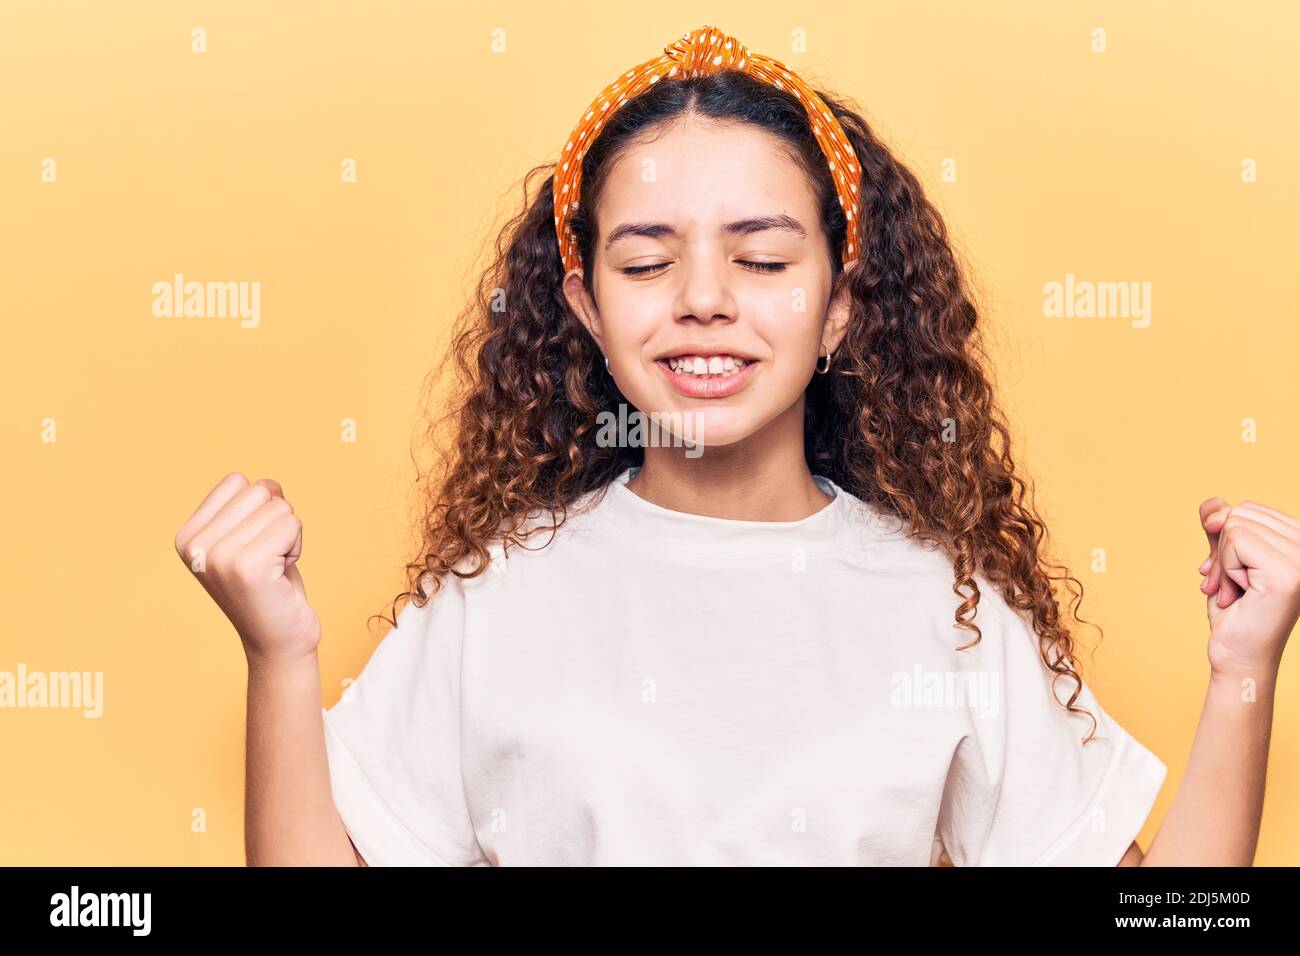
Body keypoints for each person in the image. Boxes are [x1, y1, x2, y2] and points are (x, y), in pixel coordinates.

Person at [174, 25, 1298, 866]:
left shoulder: (942, 605)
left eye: (761, 259)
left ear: (843, 305)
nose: (704, 300)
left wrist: (1244, 670)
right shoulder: (495, 593)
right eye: (647, 260)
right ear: (583, 304)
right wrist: (277, 655)